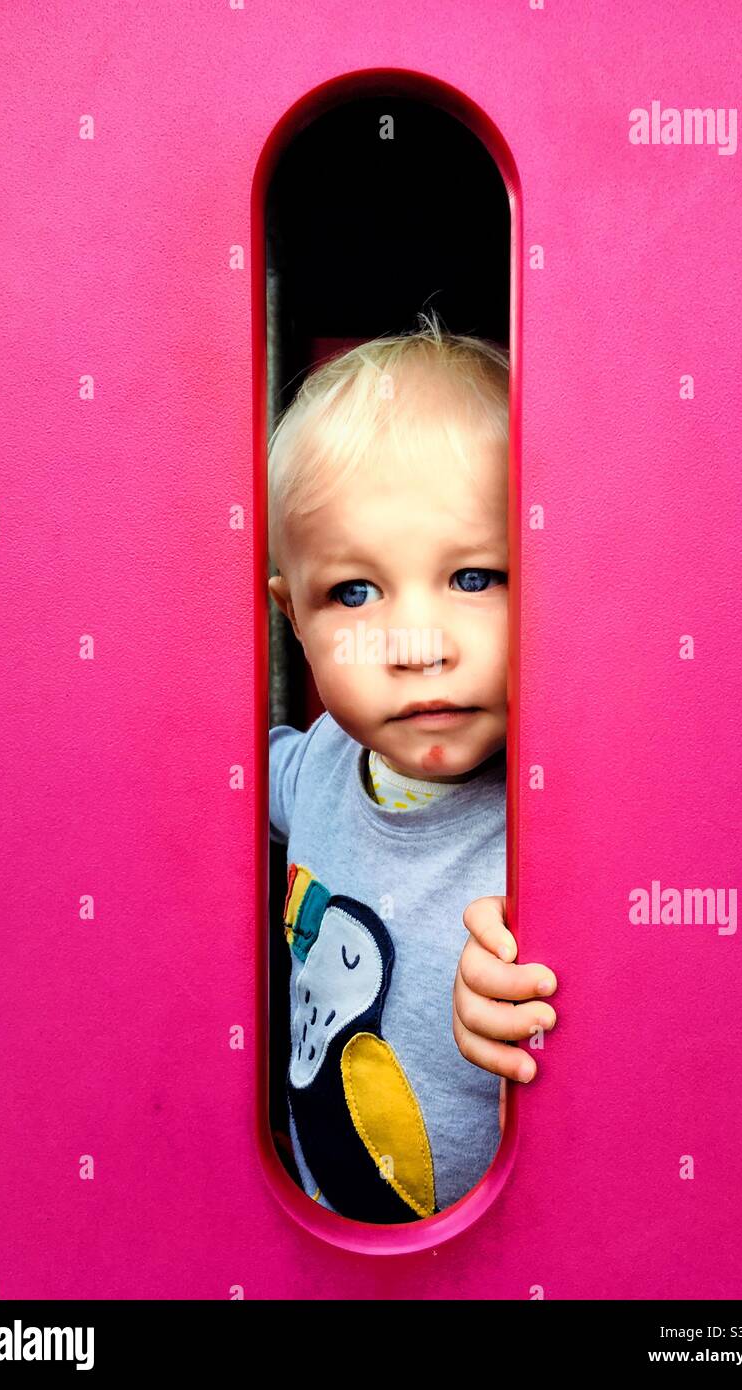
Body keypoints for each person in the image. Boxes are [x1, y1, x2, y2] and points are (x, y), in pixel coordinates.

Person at [267, 312, 558, 1224]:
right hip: (317, 1219)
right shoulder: (319, 764)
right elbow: (209, 777)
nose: (417, 645)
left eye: (475, 577)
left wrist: (531, 1012)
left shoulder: (563, 811)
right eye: (354, 592)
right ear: (294, 618)